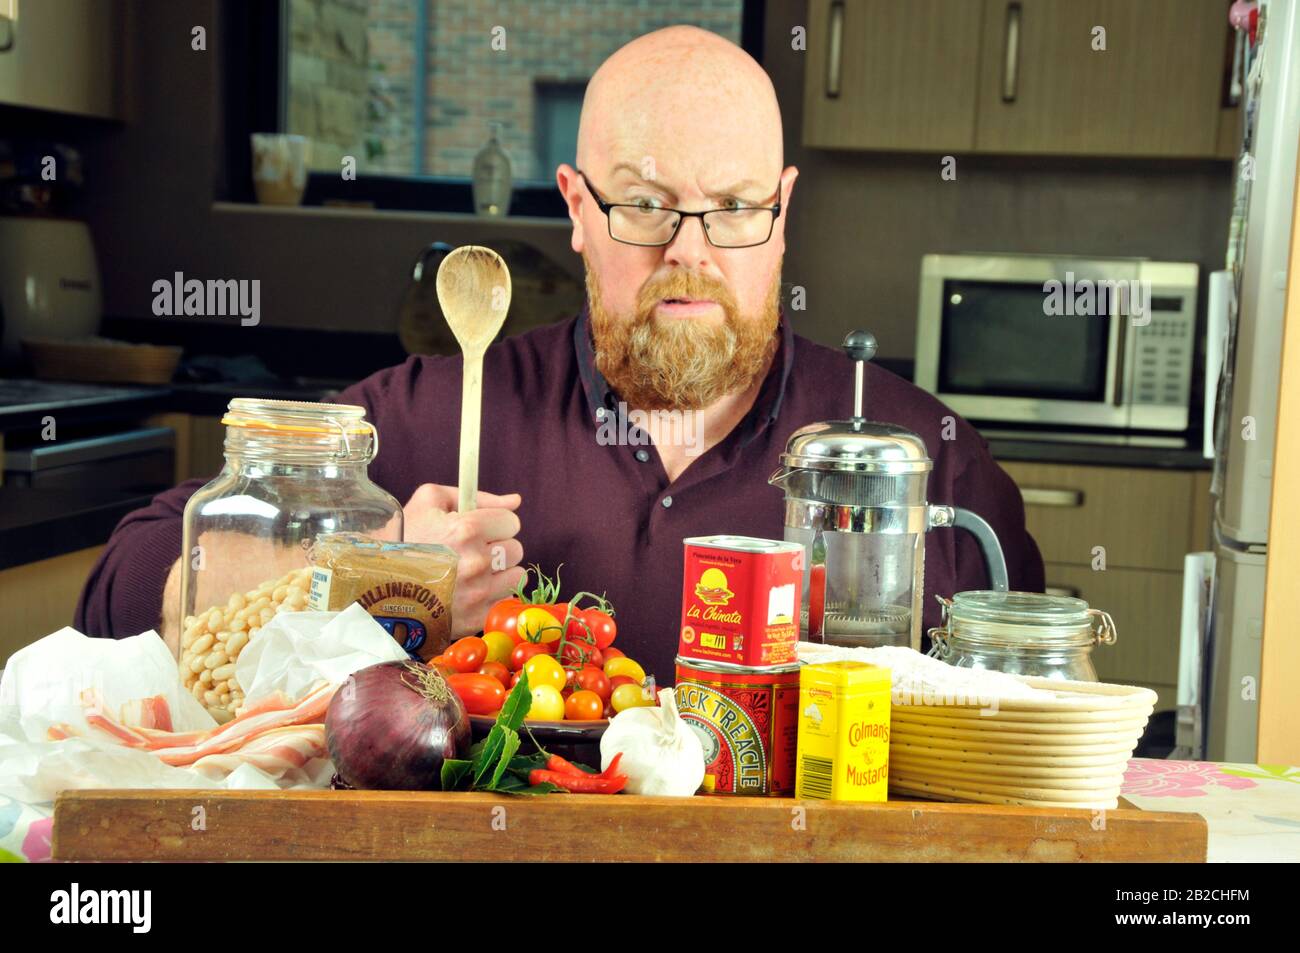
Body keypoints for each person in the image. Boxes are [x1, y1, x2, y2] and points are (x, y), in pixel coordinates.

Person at [77, 26, 1043, 687]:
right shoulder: (443, 410)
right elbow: (119, 592)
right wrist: (365, 572)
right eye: (643, 200)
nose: (689, 251)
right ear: (577, 209)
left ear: (782, 212)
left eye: (736, 206)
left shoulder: (924, 455)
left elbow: (1038, 741)